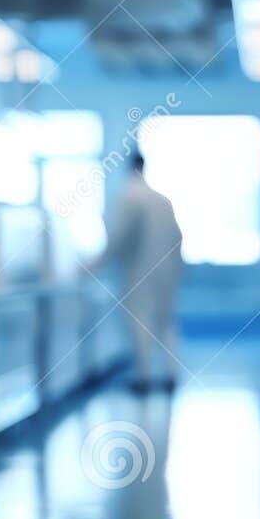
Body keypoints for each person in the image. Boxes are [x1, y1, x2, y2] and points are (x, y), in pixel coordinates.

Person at [97, 150, 184, 393]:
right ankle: (170, 375)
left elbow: (119, 238)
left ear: (128, 166)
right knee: (166, 321)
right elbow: (178, 238)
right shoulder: (162, 200)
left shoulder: (128, 196)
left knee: (139, 322)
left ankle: (144, 378)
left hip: (138, 273)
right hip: (167, 274)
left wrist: (95, 265)